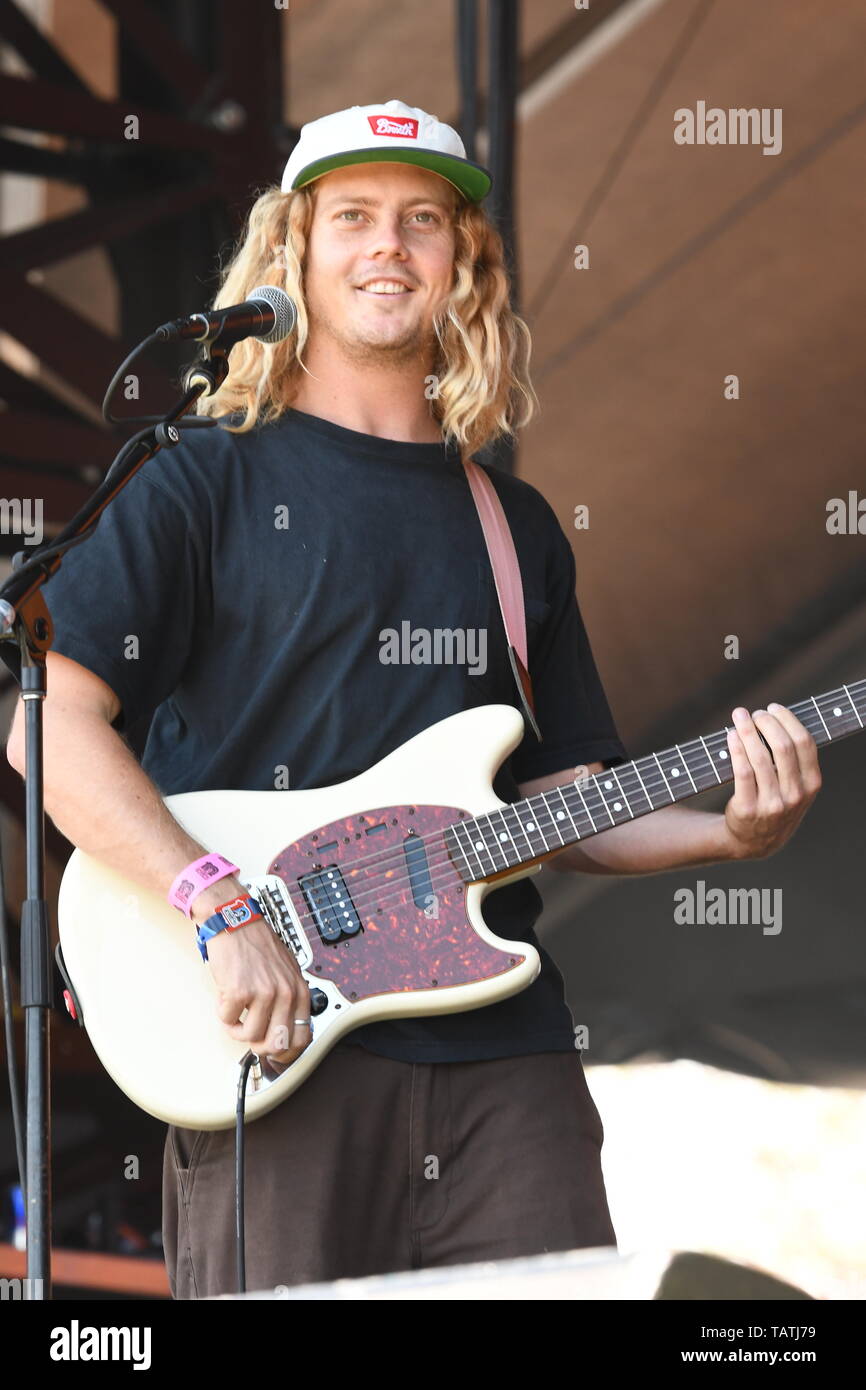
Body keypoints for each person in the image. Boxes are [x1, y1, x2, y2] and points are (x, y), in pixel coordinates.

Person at [5, 100, 821, 1299]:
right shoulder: (198, 484)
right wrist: (218, 908)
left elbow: (564, 800)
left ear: (462, 263)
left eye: (421, 221)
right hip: (269, 1039)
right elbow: (43, 721)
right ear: (294, 248)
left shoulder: (512, 527)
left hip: (506, 1056)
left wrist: (732, 832)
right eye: (353, 217)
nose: (386, 246)